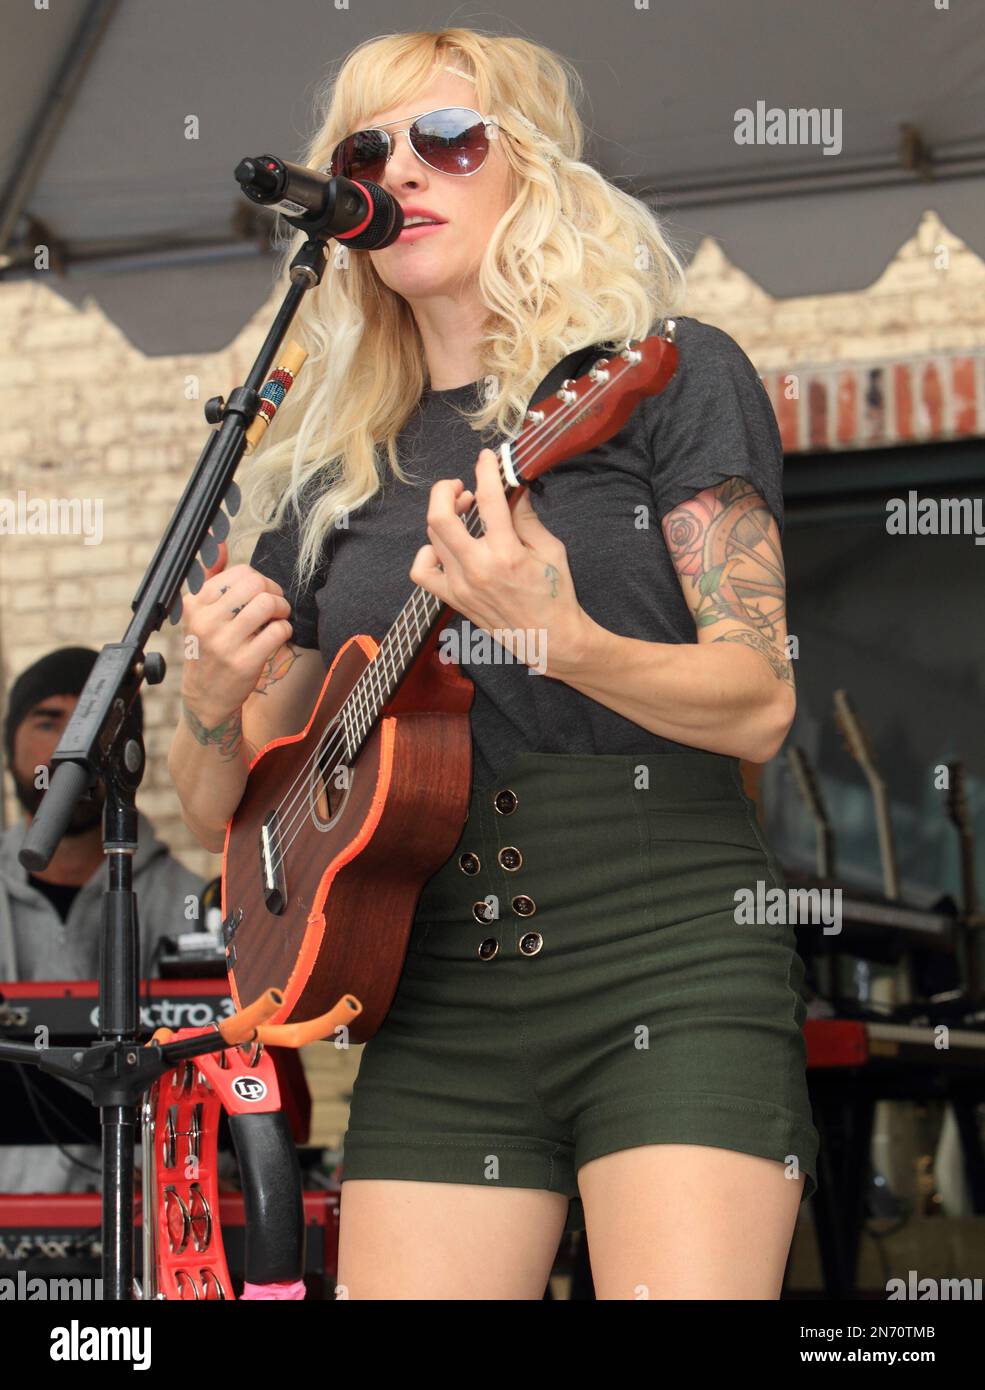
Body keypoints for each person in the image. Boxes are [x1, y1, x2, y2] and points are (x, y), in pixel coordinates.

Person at [169, 28, 819, 1299]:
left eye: (447, 139)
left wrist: (562, 637)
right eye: (367, 152)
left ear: (534, 169)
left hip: (667, 953)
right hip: (433, 991)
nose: (400, 172)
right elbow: (232, 823)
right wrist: (204, 713)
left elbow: (758, 704)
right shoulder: (331, 469)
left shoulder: (664, 377)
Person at [0, 646, 207, 1193]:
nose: (74, 745)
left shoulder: (196, 902)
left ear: (127, 753)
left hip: (149, 1228)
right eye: (48, 721)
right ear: (10, 746)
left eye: (93, 724)